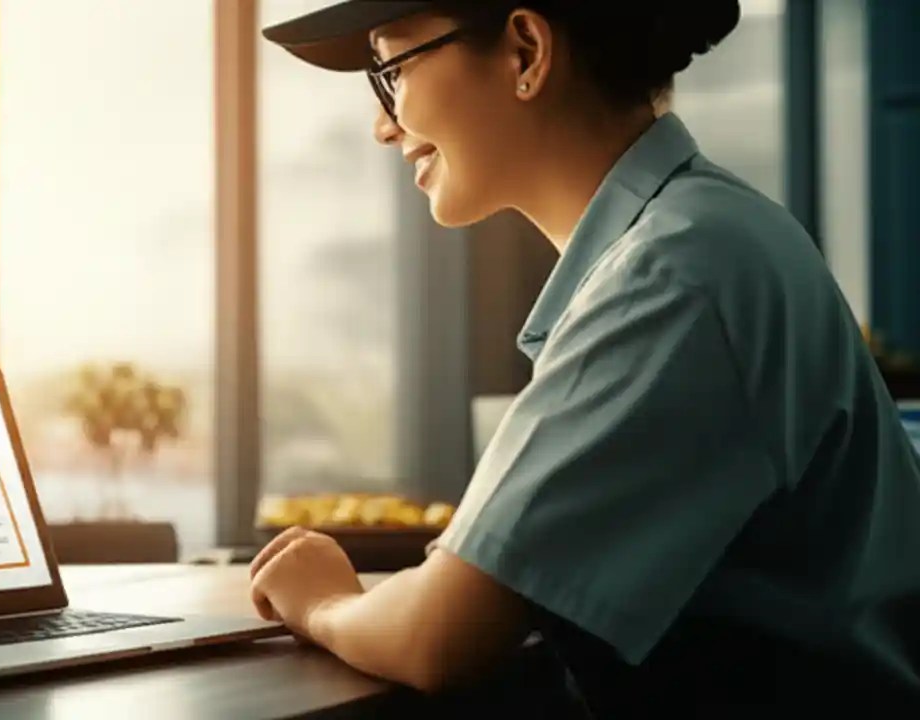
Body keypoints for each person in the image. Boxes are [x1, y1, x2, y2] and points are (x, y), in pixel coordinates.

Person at [251, 0, 920, 714]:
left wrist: (319, 602)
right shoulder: (697, 237)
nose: (383, 126)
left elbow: (436, 634)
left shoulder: (674, 275)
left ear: (526, 52)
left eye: (390, 69)